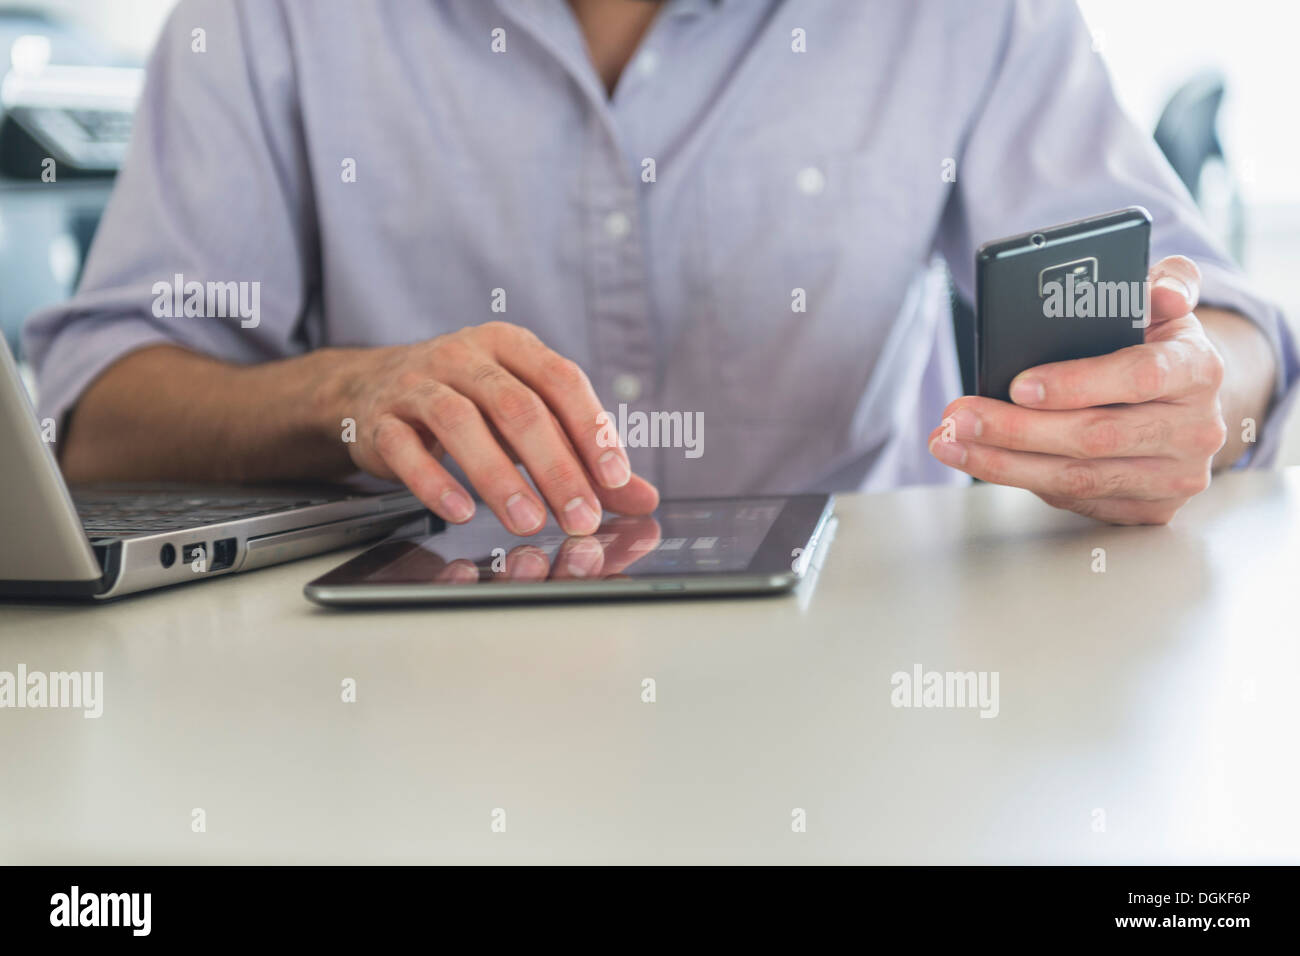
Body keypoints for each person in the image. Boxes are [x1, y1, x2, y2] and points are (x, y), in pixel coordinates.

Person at [25, 0, 1298, 531]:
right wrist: (342, 395)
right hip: (420, 684)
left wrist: (1202, 388)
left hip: (867, 669)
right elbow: (97, 415)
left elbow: (1224, 323)